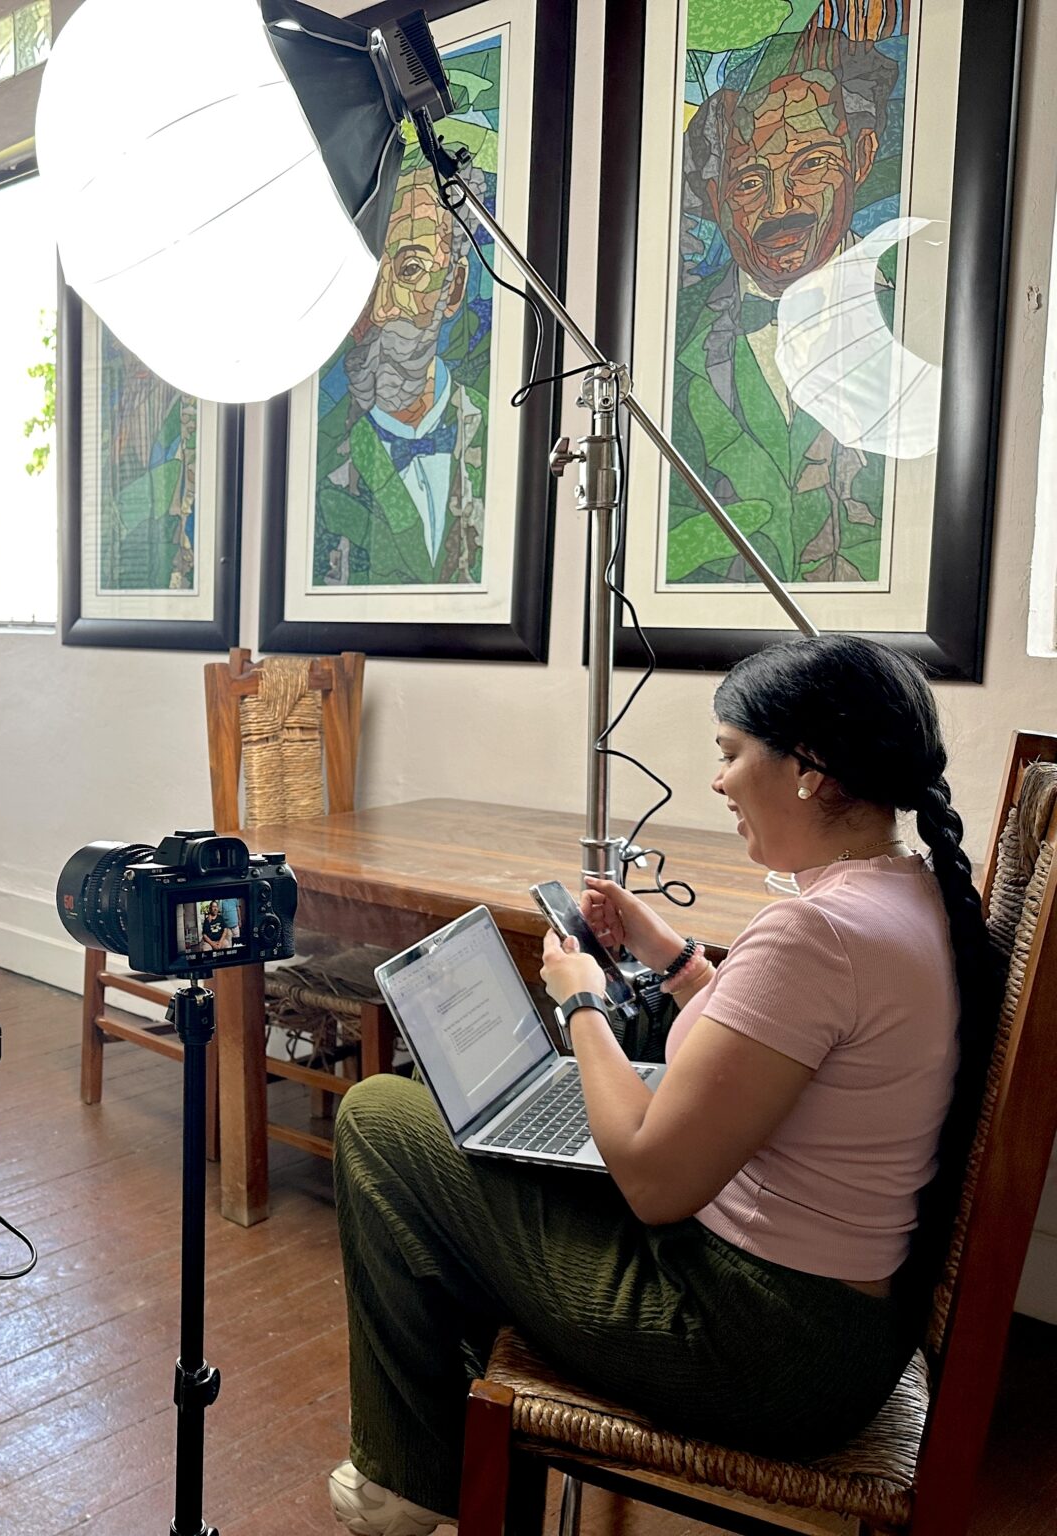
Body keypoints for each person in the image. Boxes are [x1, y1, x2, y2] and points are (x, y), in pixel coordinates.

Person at [327, 635, 996, 1533]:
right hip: (828, 1325)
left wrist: (583, 1008)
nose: (717, 783)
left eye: (729, 755)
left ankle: (412, 1482)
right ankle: (434, 1456)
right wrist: (669, 956)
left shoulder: (817, 932)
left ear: (807, 768)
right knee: (496, 1158)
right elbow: (777, 1052)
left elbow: (651, 1177)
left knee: (380, 1117)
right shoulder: (904, 895)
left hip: (755, 1344)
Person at [673, 27, 900, 583]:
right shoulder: (673, 335)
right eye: (749, 181)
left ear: (861, 156)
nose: (780, 204)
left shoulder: (916, 317)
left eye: (811, 164)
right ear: (716, 196)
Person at [323, 161, 488, 587]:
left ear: (453, 288)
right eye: (365, 279)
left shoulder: (494, 430)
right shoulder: (326, 451)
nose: (380, 308)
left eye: (410, 270)